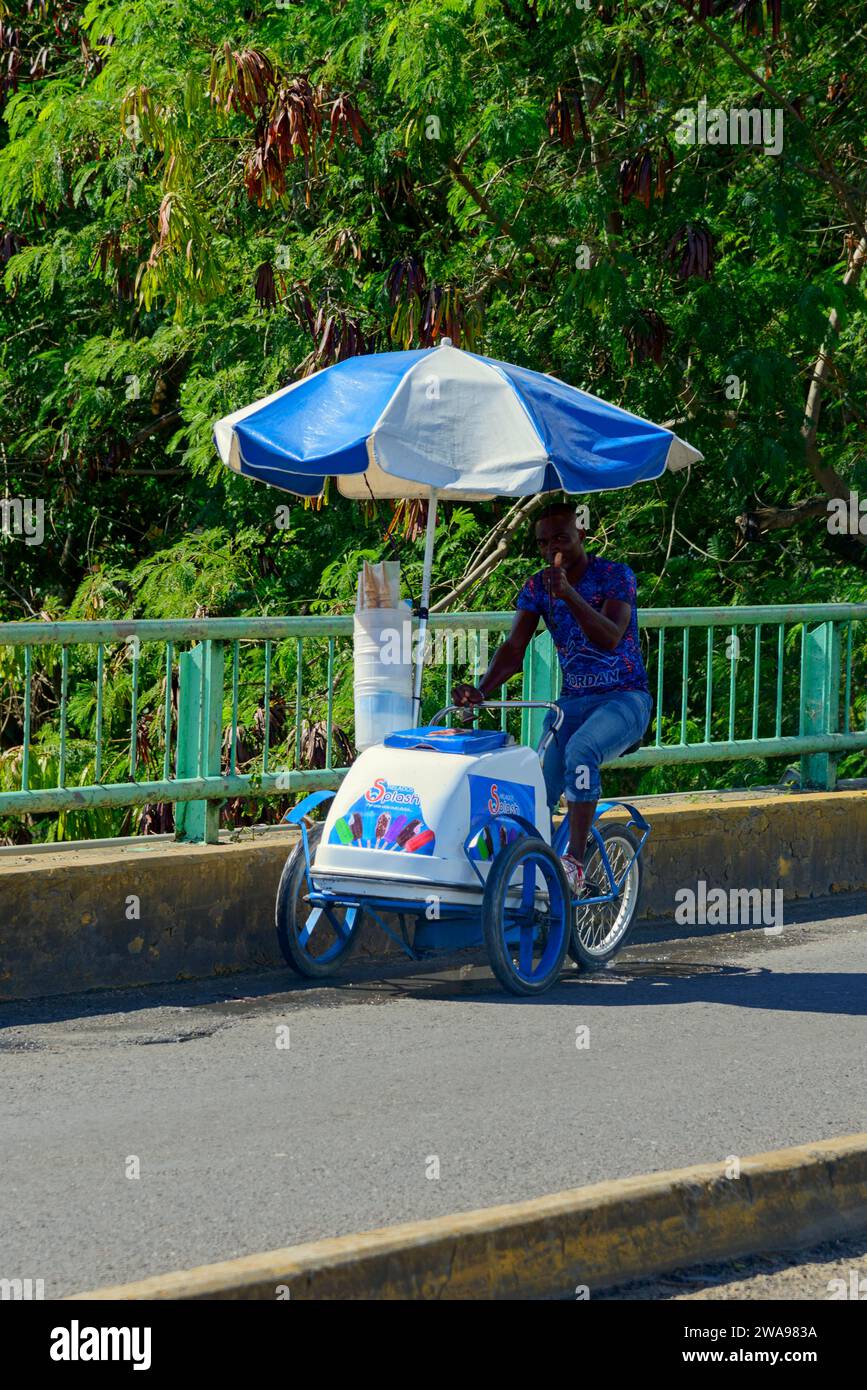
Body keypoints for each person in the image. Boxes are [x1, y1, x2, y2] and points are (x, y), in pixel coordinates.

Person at [452, 500, 653, 893]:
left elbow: (611, 636)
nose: (551, 550)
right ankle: (533, 869)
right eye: (543, 543)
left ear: (581, 534)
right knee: (534, 781)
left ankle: (575, 863)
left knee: (581, 752)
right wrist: (481, 689)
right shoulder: (535, 587)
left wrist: (570, 596)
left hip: (624, 699)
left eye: (561, 538)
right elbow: (514, 649)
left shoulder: (615, 575)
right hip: (570, 704)